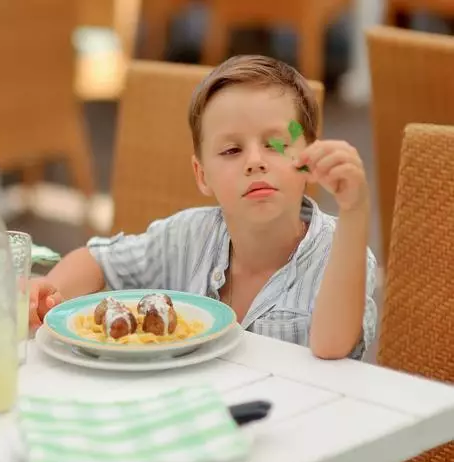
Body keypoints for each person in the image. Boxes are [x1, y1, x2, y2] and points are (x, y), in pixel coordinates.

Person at [28, 55, 377, 360]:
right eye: (231, 150)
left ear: (309, 159)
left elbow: (334, 347)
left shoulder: (342, 252)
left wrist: (355, 210)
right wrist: (48, 292)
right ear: (203, 174)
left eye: (276, 144)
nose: (255, 161)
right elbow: (98, 259)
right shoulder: (186, 237)